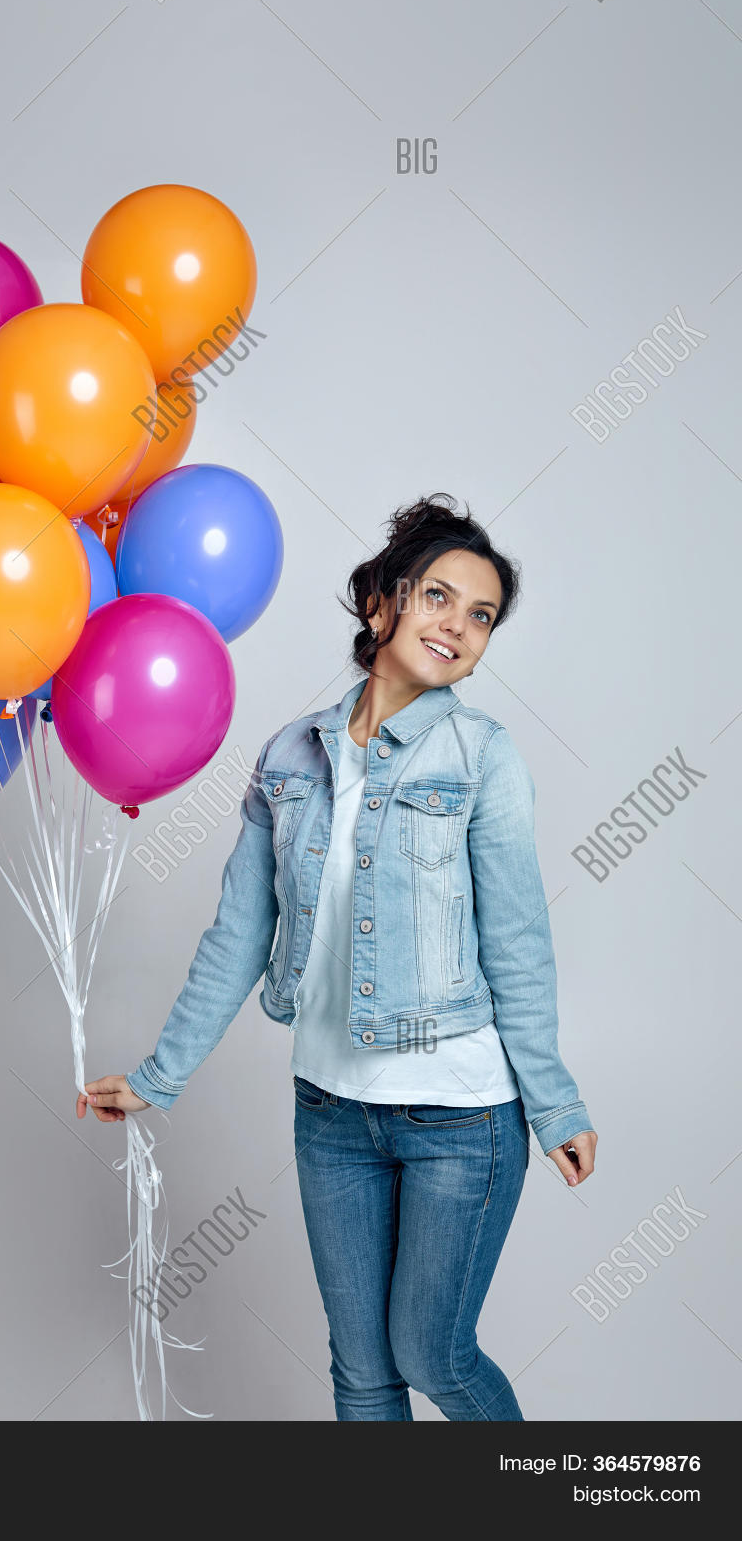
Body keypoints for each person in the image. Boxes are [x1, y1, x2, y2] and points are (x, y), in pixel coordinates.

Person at [77, 493, 597, 1421]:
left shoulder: (482, 759)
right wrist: (160, 1076)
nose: (459, 626)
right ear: (381, 605)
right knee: (360, 1373)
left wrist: (554, 1102)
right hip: (331, 1117)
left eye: (481, 616)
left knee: (430, 1354)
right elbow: (239, 933)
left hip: (460, 1120)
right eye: (440, 597)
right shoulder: (289, 758)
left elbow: (519, 943)